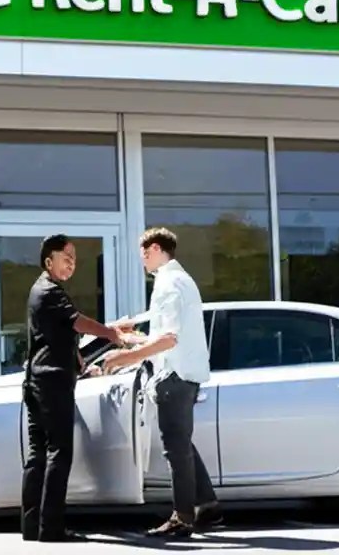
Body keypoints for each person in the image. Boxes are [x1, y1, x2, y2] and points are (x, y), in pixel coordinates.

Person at [102, 227, 222, 539]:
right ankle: (206, 505)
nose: (141, 260)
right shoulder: (181, 280)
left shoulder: (168, 283)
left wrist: (124, 359)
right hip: (184, 375)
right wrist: (128, 339)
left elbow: (168, 340)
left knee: (175, 448)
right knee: (181, 442)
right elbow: (163, 336)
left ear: (155, 248)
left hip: (174, 376)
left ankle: (182, 518)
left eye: (143, 253)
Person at [21, 233, 137, 543]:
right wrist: (111, 332)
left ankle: (33, 527)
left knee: (38, 455)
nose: (72, 264)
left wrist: (108, 334)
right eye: (66, 258)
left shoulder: (42, 290)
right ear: (49, 261)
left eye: (75, 259)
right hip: (52, 382)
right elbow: (78, 323)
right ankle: (52, 529)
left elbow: (67, 334)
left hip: (38, 380)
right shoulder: (50, 290)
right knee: (59, 453)